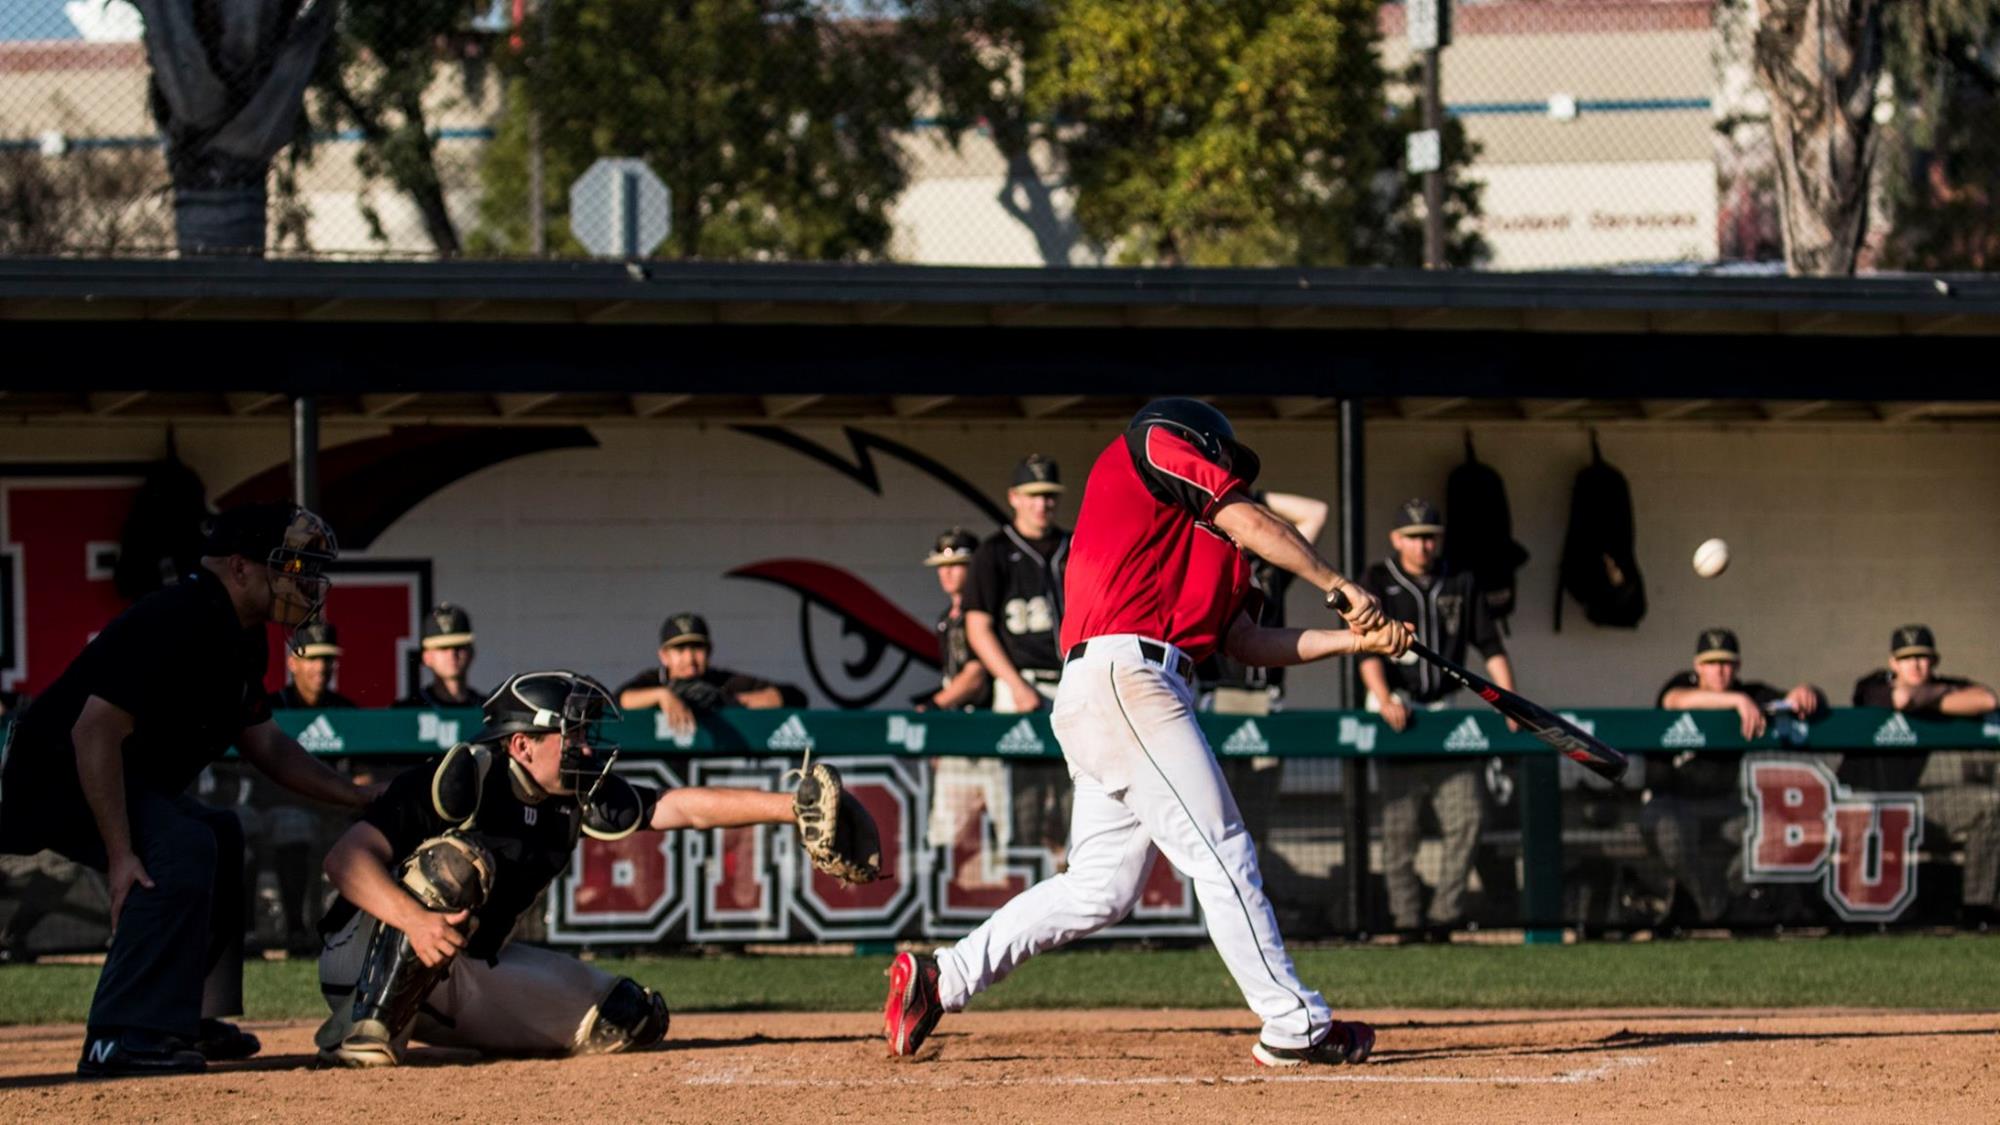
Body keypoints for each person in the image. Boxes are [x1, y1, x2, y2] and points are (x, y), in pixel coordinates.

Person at [883, 398, 1410, 1068]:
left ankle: (941, 977)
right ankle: (1293, 1023)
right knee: (1223, 850)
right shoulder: (1150, 442)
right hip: (1126, 674)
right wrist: (1338, 584)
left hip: (1122, 689)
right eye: (1224, 461)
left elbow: (1245, 642)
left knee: (1098, 887)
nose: (1229, 475)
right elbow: (1248, 517)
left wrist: (1355, 641)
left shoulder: (1215, 548)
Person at [0, 502, 378, 1077]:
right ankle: (118, 1036)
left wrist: (357, 796)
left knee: (219, 832)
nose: (302, 581)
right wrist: (121, 855)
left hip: (111, 774)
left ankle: (185, 1019)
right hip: (55, 776)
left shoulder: (243, 634)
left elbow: (268, 746)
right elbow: (92, 733)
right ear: (240, 567)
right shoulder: (176, 616)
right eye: (289, 565)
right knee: (180, 845)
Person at [314, 670, 858, 1066]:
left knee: (629, 1018)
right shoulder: (463, 778)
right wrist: (413, 920)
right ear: (522, 745)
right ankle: (366, 1030)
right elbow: (345, 861)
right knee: (454, 865)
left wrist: (790, 807)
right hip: (361, 957)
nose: (586, 749)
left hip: (462, 966)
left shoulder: (572, 794)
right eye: (571, 735)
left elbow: (680, 807)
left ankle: (413, 1021)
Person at [1358, 499, 1516, 938]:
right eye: (1413, 537)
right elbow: (1366, 651)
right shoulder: (1378, 579)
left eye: (1429, 537)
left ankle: (1446, 916)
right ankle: (1407, 921)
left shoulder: (1461, 580)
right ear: (1396, 539)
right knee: (1399, 829)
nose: (1422, 545)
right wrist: (1383, 698)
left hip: (1447, 715)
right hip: (1399, 715)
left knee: (1467, 817)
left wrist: (1509, 700)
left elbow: (1491, 645)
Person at [1196, 491, 1327, 908]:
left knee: (1258, 810)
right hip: (1219, 698)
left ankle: (1254, 895)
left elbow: (1315, 512)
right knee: (1215, 806)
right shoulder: (1208, 556)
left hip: (1265, 701)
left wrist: (1257, 498)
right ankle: (1215, 900)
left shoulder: (1270, 566)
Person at [1645, 628, 1825, 929]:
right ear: (1697, 666)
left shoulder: (1750, 693)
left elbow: (1794, 700)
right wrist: (1737, 702)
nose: (1719, 670)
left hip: (1722, 808)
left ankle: (1727, 896)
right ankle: (1715, 910)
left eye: (1726, 663)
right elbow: (1674, 701)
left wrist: (1806, 691)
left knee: (1777, 832)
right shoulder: (1683, 684)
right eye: (1711, 663)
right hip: (1669, 805)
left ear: (1738, 666)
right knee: (1671, 834)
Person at [1845, 625, 2000, 928]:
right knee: (1862, 815)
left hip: (1910, 803)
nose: (1915, 665)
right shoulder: (1872, 684)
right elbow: (1902, 699)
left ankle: (1978, 908)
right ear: (1893, 663)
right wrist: (1942, 695)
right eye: (1907, 658)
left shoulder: (1940, 684)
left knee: (1990, 805)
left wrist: (1928, 697)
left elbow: (1987, 700)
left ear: (1934, 661)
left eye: (1922, 657)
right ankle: (1854, 915)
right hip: (1857, 800)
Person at [964, 454, 1073, 858]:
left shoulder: (1075, 546)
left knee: (1077, 791)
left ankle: (1075, 875)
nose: (1042, 504)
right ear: (1014, 497)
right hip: (1021, 684)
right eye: (1033, 495)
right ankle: (1021, 877)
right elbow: (978, 627)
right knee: (1022, 799)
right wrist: (1013, 684)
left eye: (1048, 495)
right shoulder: (994, 551)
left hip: (1072, 682)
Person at [614, 613, 802, 737]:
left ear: (709, 652)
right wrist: (663, 696)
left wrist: (730, 701)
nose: (690, 658)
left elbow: (794, 696)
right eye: (680, 649)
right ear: (664, 656)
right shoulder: (654, 680)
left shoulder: (722, 681)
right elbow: (617, 700)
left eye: (697, 648)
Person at [913, 527, 992, 712]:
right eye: (941, 565)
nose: (946, 572)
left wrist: (934, 705)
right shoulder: (946, 619)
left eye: (956, 564)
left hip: (986, 714)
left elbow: (976, 675)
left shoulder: (983, 614)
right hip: (957, 712)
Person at [398, 603, 485, 709]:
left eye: (458, 646)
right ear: (426, 657)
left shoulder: (489, 708)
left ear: (471, 651)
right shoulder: (407, 711)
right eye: (443, 648)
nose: (452, 653)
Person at [270, 621, 358, 709]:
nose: (321, 667)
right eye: (312, 658)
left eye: (327, 658)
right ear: (292, 663)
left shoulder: (346, 710)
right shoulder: (268, 709)